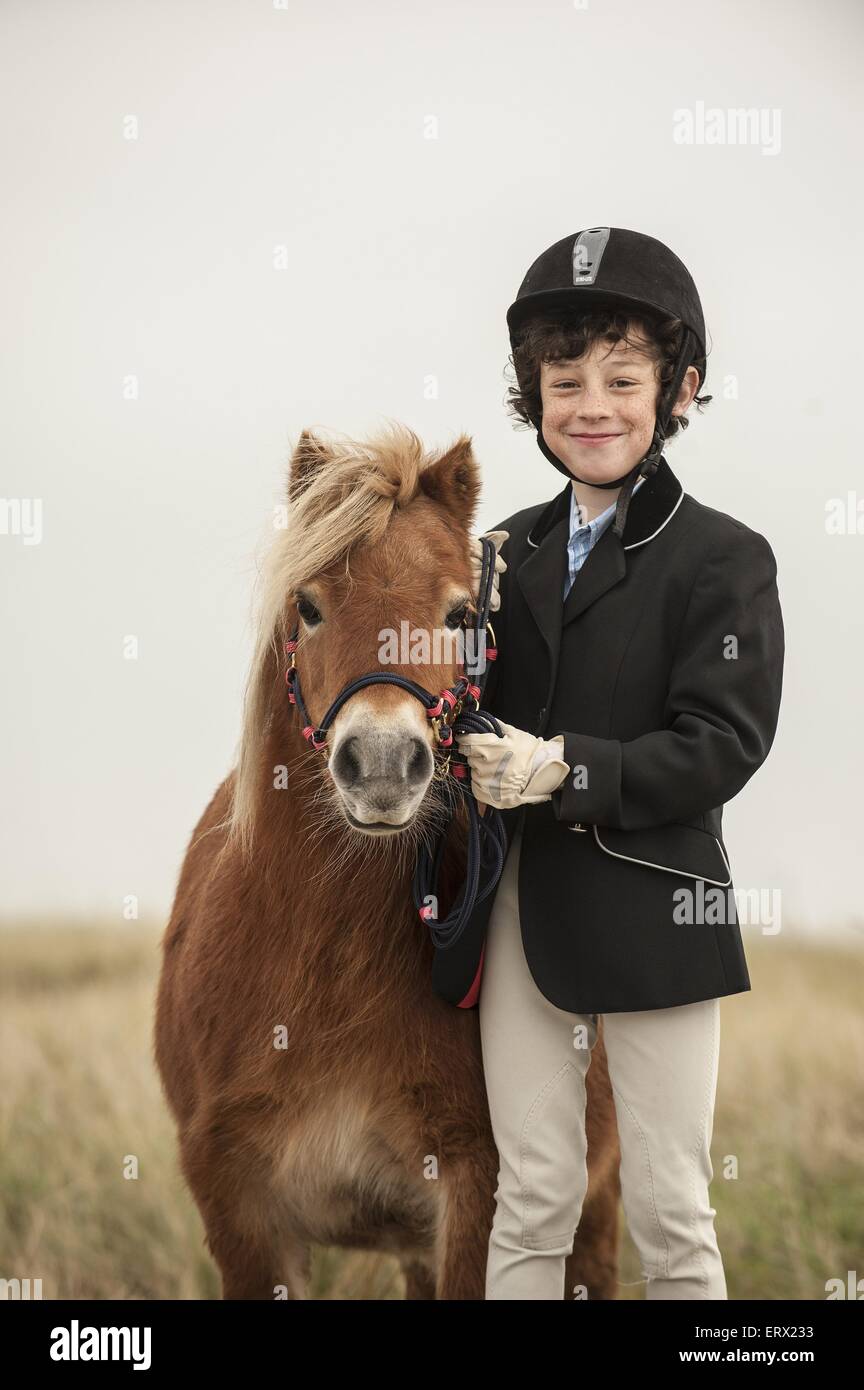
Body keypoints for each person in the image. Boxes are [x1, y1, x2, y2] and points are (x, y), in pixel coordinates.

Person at [440, 226, 785, 1300]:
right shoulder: (493, 555)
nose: (592, 404)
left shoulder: (725, 557)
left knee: (672, 1208)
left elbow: (725, 741)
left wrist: (564, 772)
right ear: (532, 397)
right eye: (565, 379)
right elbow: (460, 723)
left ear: (678, 389)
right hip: (523, 918)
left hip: (659, 913)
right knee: (531, 1195)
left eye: (623, 378)